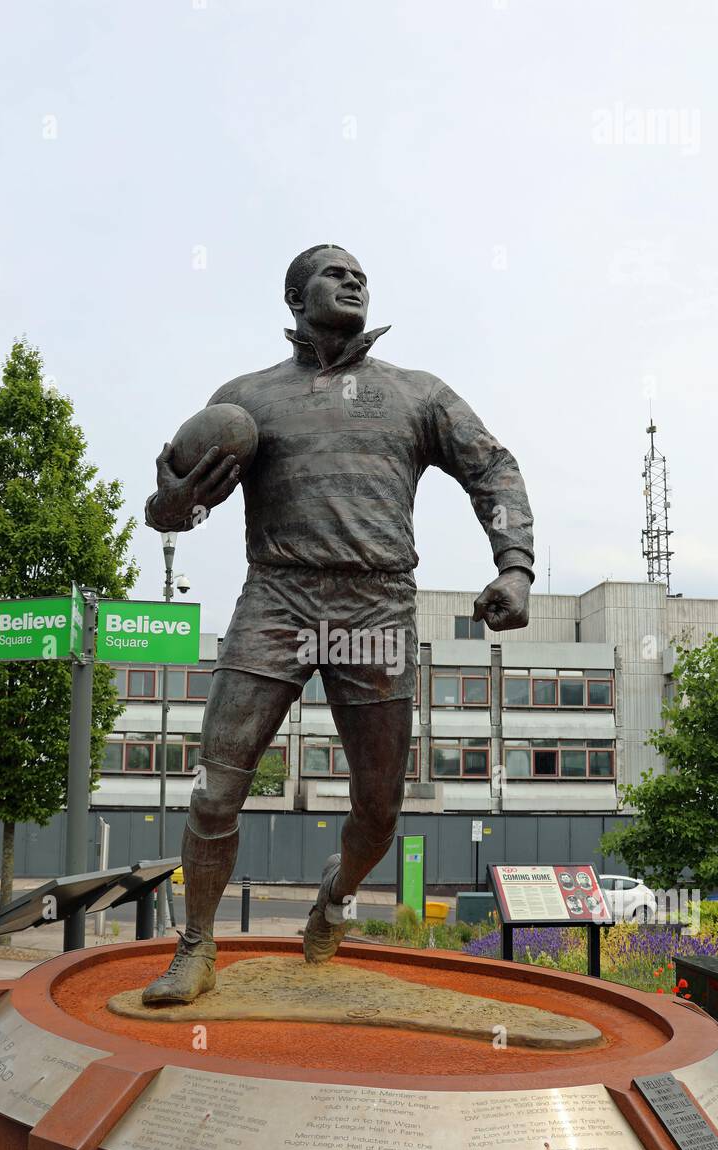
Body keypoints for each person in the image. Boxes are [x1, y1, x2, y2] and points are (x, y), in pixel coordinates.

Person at [142, 244, 534, 1003]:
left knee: (379, 811)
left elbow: (494, 468)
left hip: (375, 605)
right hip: (277, 601)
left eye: (361, 273)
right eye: (333, 271)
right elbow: (168, 509)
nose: (353, 279)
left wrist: (514, 564)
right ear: (295, 296)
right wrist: (178, 500)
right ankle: (194, 947)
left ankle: (334, 894)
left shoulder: (417, 394)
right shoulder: (246, 398)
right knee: (215, 790)